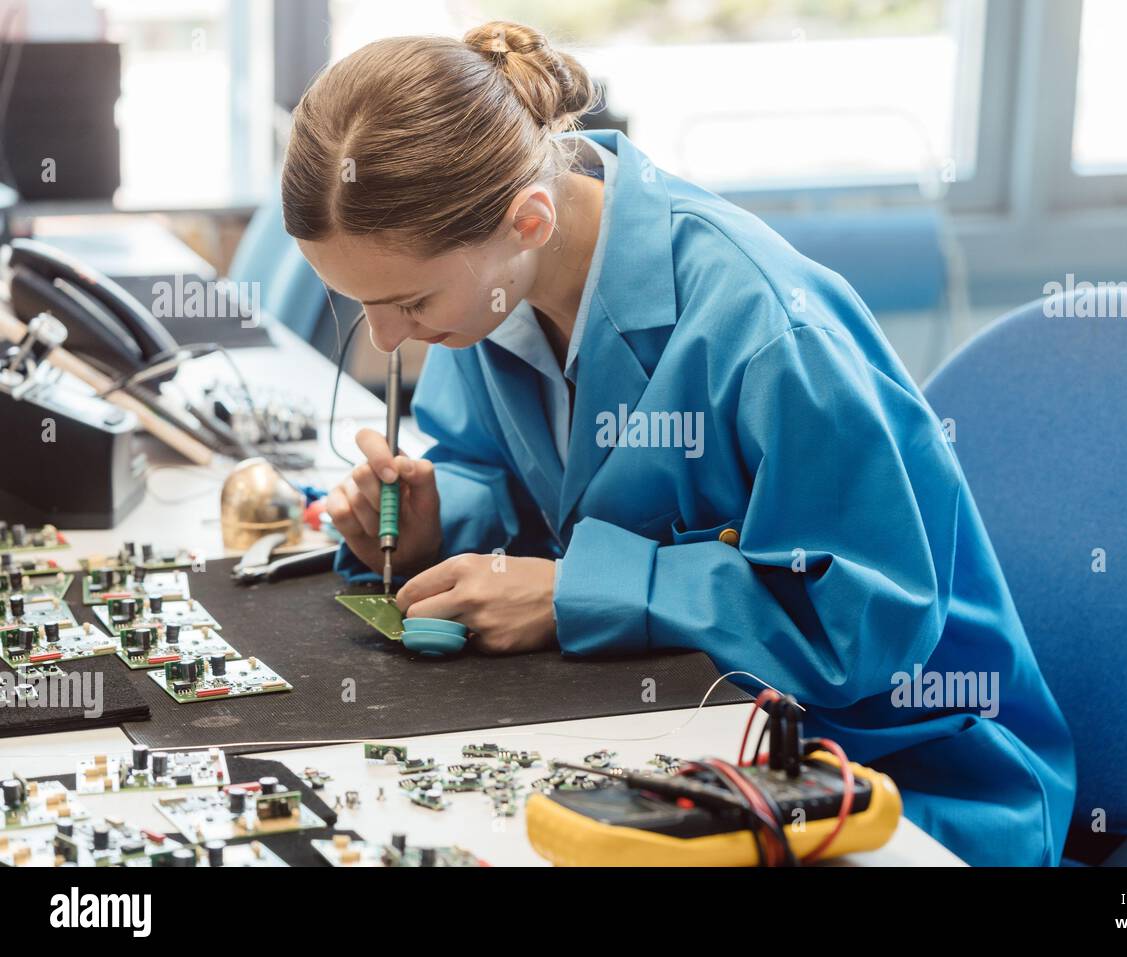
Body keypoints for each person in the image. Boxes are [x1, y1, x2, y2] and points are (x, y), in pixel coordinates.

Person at [282, 20, 1076, 866]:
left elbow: (860, 629)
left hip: (897, 781)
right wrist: (446, 517)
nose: (388, 337)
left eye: (408, 301)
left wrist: (571, 594)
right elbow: (508, 477)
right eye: (355, 302)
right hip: (681, 728)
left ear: (527, 221)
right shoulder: (490, 297)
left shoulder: (766, 327)